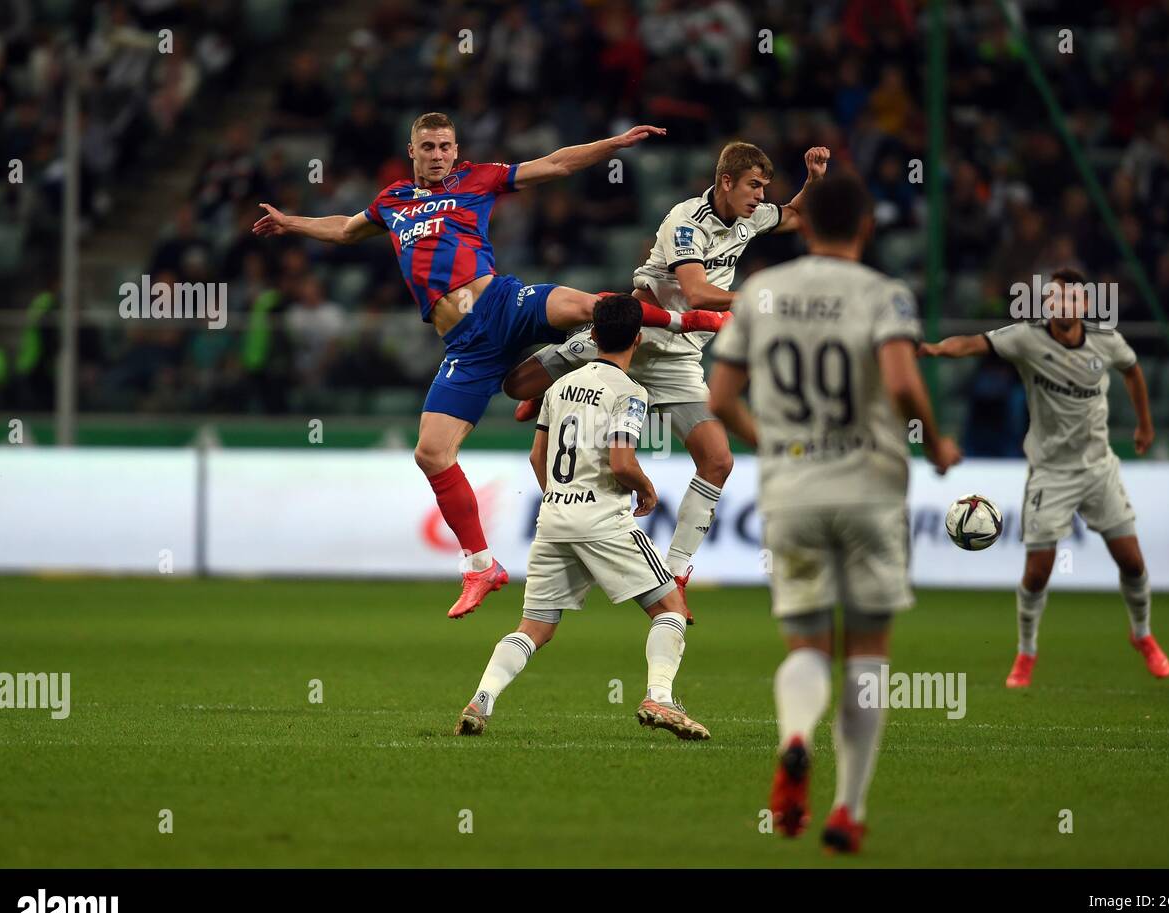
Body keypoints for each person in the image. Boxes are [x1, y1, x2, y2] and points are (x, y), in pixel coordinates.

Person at [253, 113, 727, 618]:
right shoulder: (391, 201)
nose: (437, 154)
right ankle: (481, 564)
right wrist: (291, 222)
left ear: (456, 152)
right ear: (411, 151)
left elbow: (556, 164)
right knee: (431, 454)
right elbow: (346, 230)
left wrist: (616, 142)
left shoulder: (477, 178)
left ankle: (687, 319)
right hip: (465, 343)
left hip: (504, 301)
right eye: (428, 146)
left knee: (595, 306)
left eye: (445, 146)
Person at [708, 170, 961, 854]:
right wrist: (936, 443)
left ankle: (795, 737)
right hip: (871, 487)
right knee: (869, 649)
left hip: (793, 491)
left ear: (805, 225)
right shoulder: (885, 294)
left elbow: (721, 398)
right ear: (868, 227)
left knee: (808, 643)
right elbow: (905, 382)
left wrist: (778, 446)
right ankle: (848, 807)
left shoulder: (761, 293)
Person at [503, 142, 831, 619]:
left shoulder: (750, 217)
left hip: (679, 360)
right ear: (726, 182)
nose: (761, 196)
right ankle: (554, 385)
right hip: (629, 337)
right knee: (517, 385)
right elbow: (695, 291)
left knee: (718, 460)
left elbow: (798, 216)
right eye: (753, 186)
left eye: (764, 187)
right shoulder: (685, 221)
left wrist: (814, 178)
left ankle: (675, 569)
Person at [455, 295, 708, 741]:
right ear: (637, 338)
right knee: (669, 608)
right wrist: (647, 491)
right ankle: (660, 698)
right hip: (603, 520)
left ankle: (482, 699)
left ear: (591, 335)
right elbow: (623, 462)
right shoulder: (630, 393)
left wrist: (560, 498)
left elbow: (538, 456)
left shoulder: (557, 387)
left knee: (534, 627)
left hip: (553, 517)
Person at [919, 267, 1169, 688]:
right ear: (1047, 304)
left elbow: (1133, 370)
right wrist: (935, 350)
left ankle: (1142, 634)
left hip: (1098, 469)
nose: (1063, 306)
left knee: (1132, 561)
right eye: (1055, 299)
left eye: (1072, 299)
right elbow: (975, 344)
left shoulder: (1106, 341)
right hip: (1050, 473)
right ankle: (1026, 652)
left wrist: (1145, 425)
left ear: (1085, 305)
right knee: (1038, 572)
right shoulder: (1027, 338)